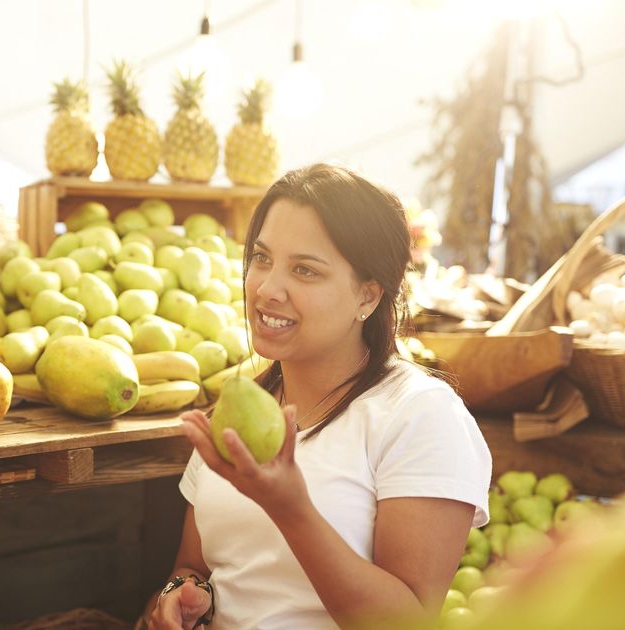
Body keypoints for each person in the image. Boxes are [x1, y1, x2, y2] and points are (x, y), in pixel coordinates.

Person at [145, 164, 492, 629]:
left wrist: (291, 509)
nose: (267, 289)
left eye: (305, 270)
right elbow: (195, 567)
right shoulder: (244, 405)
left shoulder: (419, 414)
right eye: (262, 258)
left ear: (368, 297)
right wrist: (182, 598)